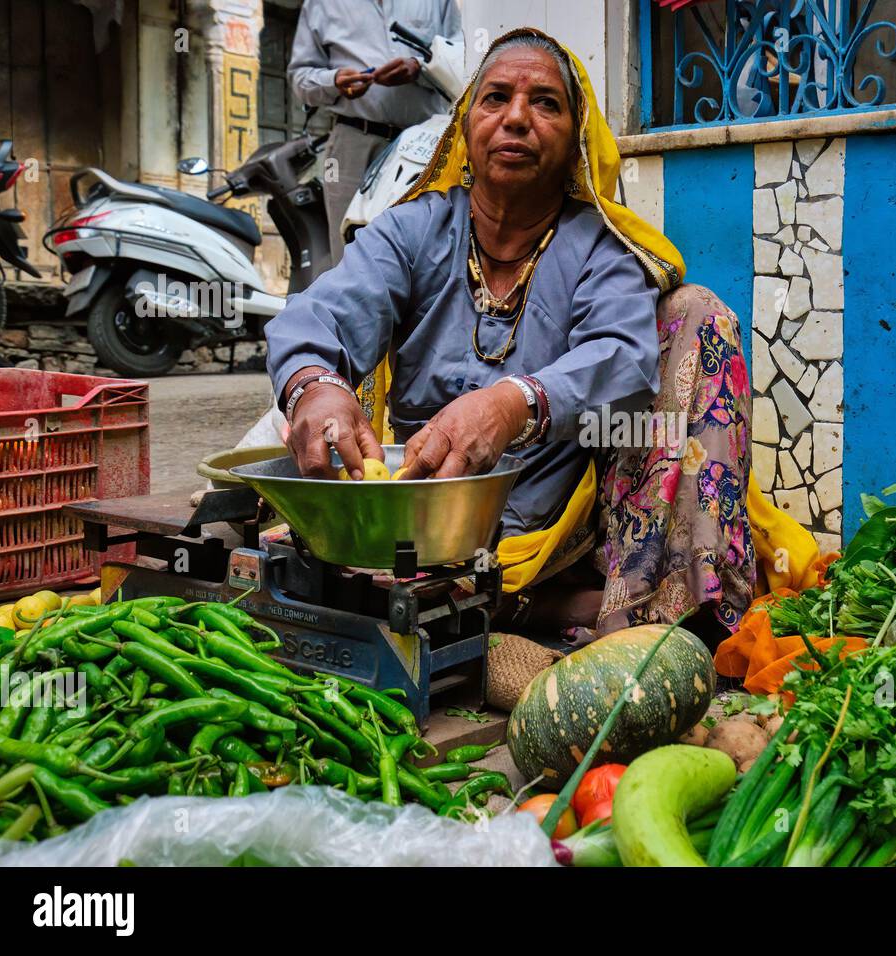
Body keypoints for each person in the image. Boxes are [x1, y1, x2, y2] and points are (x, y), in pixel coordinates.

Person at [267, 29, 815, 643]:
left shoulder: (599, 248)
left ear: (577, 138)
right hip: (429, 519)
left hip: (565, 524)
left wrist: (512, 404)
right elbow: (318, 316)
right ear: (465, 128)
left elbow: (622, 357)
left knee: (697, 314)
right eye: (495, 97)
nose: (517, 118)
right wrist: (314, 386)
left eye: (546, 103)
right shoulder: (413, 230)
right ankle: (531, 607)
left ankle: (635, 608)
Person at [289, 0, 462, 263]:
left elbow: (464, 56)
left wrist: (420, 68)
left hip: (426, 143)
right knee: (348, 254)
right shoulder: (321, 4)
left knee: (427, 250)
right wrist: (334, 81)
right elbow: (299, 78)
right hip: (350, 146)